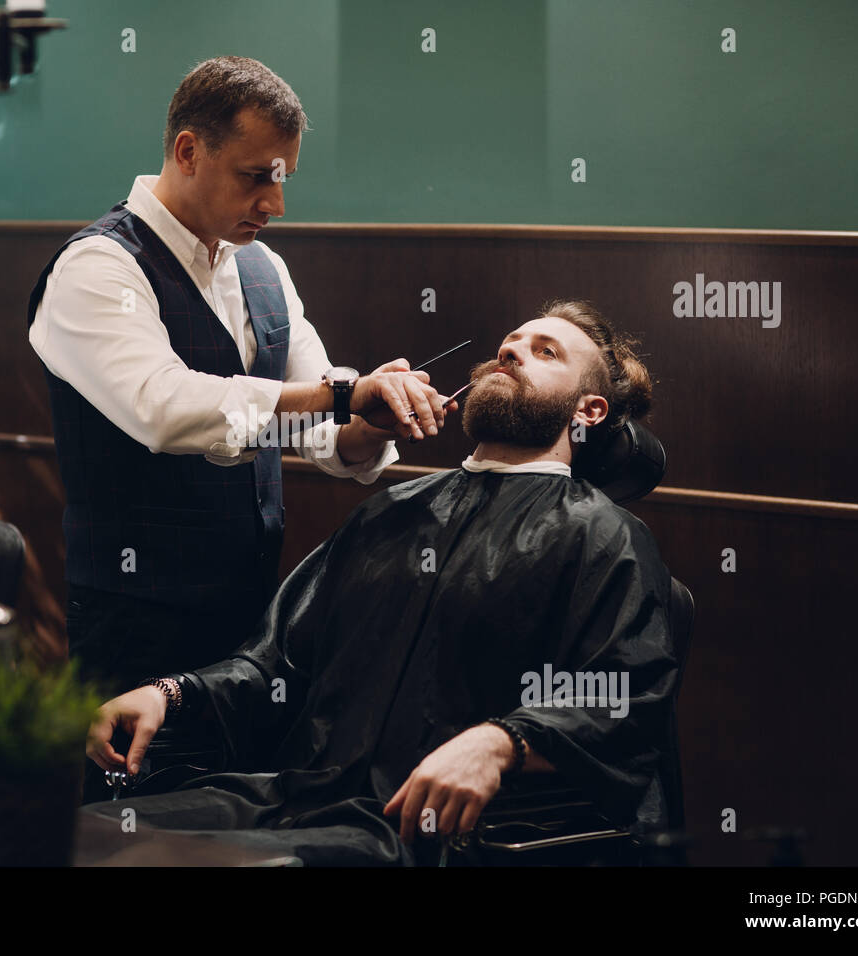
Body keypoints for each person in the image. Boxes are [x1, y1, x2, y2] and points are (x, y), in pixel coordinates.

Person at [83, 301, 679, 866]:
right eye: (509, 343)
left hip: (427, 829)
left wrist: (502, 742)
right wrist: (171, 692)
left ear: (589, 410)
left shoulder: (604, 538)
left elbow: (620, 699)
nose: (512, 352)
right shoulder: (390, 511)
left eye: (546, 351)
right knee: (82, 833)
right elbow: (275, 668)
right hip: (293, 796)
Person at [27, 56, 455, 693]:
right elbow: (163, 409)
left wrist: (367, 422)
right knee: (139, 795)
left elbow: (318, 421)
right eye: (256, 177)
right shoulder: (97, 269)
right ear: (189, 150)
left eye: (283, 179)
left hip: (256, 625)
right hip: (136, 623)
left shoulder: (263, 268)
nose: (276, 203)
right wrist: (343, 394)